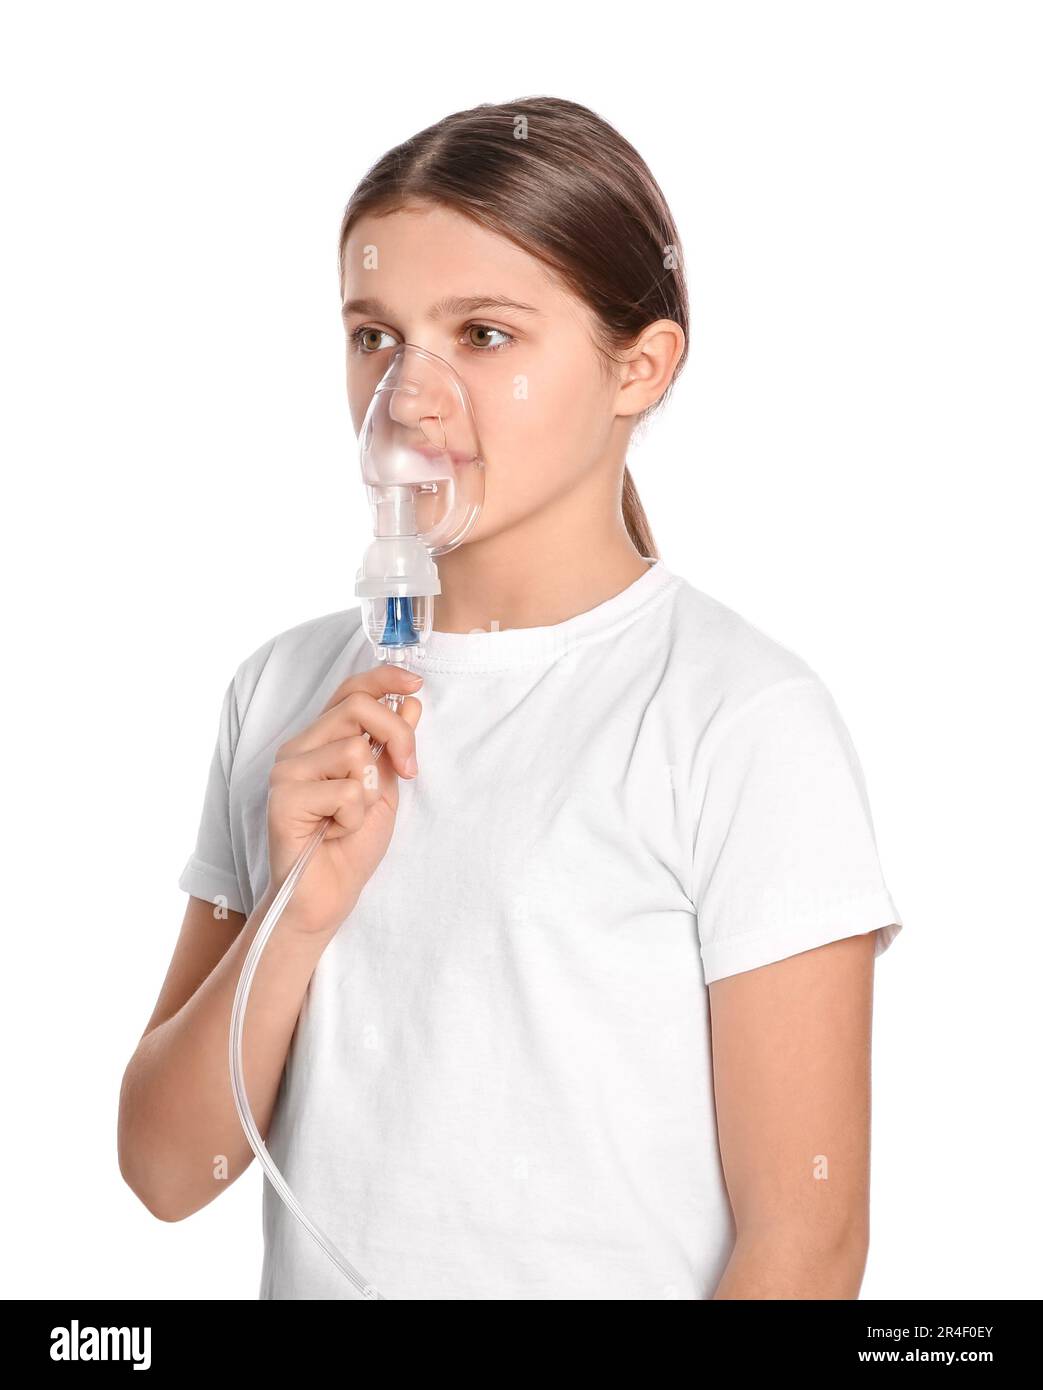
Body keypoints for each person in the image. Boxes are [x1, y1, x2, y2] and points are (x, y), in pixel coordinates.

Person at [118, 96, 904, 1301]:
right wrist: (297, 911)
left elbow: (805, 1245)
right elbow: (172, 1173)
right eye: (374, 335)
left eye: (482, 335)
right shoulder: (282, 694)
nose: (409, 397)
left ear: (636, 365)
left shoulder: (734, 721)